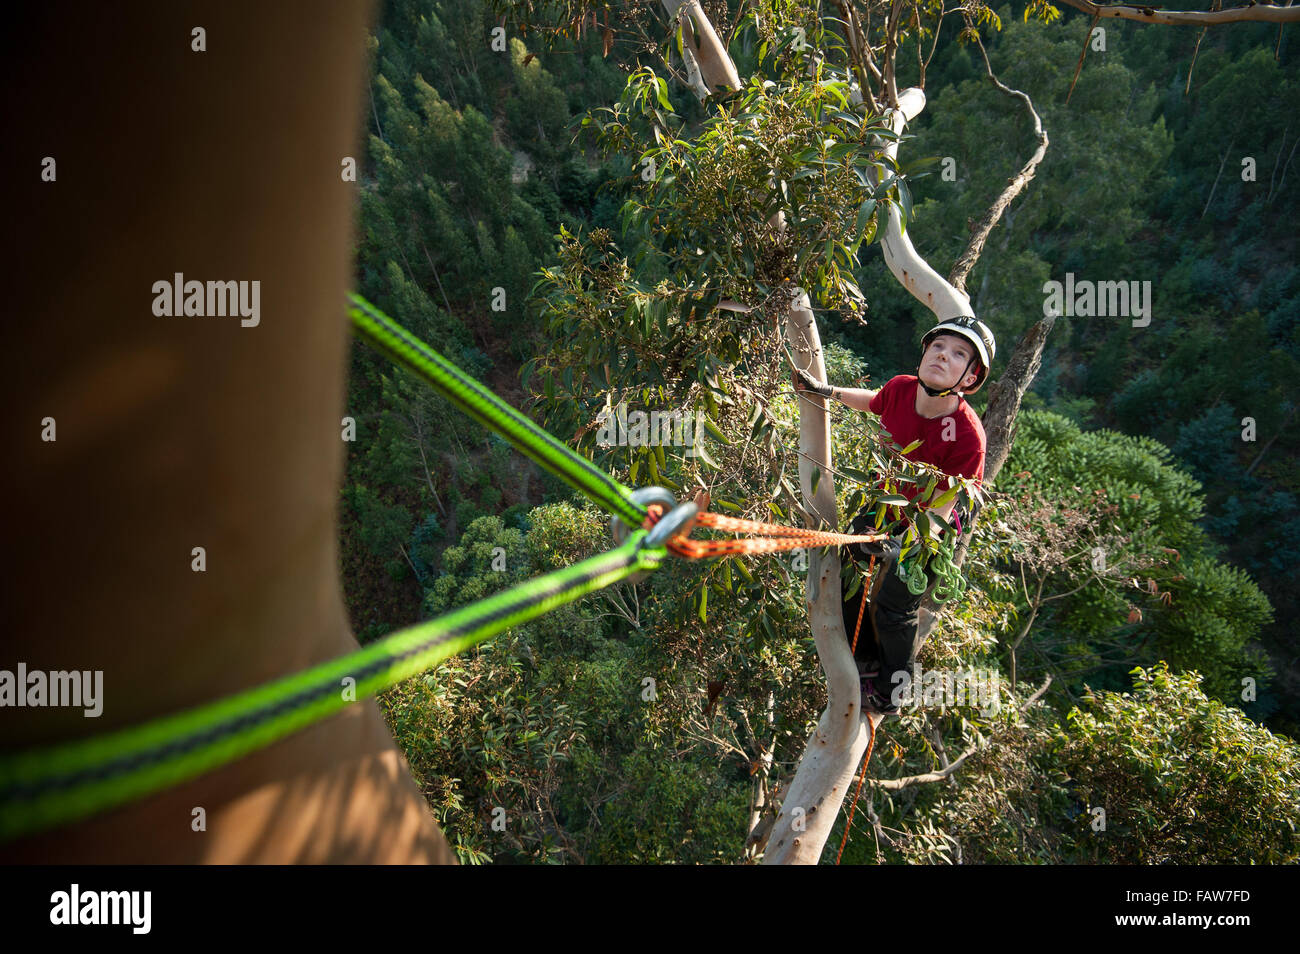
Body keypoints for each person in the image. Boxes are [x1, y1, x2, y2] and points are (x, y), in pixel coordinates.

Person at [792, 316, 995, 715]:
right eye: (938, 346)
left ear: (970, 379)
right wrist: (827, 390)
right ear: (924, 352)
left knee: (894, 605)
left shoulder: (968, 435)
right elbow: (875, 400)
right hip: (889, 502)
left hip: (931, 523)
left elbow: (945, 504)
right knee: (849, 569)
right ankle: (864, 662)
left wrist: (906, 544)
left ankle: (893, 691)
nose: (942, 356)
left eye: (958, 354)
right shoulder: (902, 389)